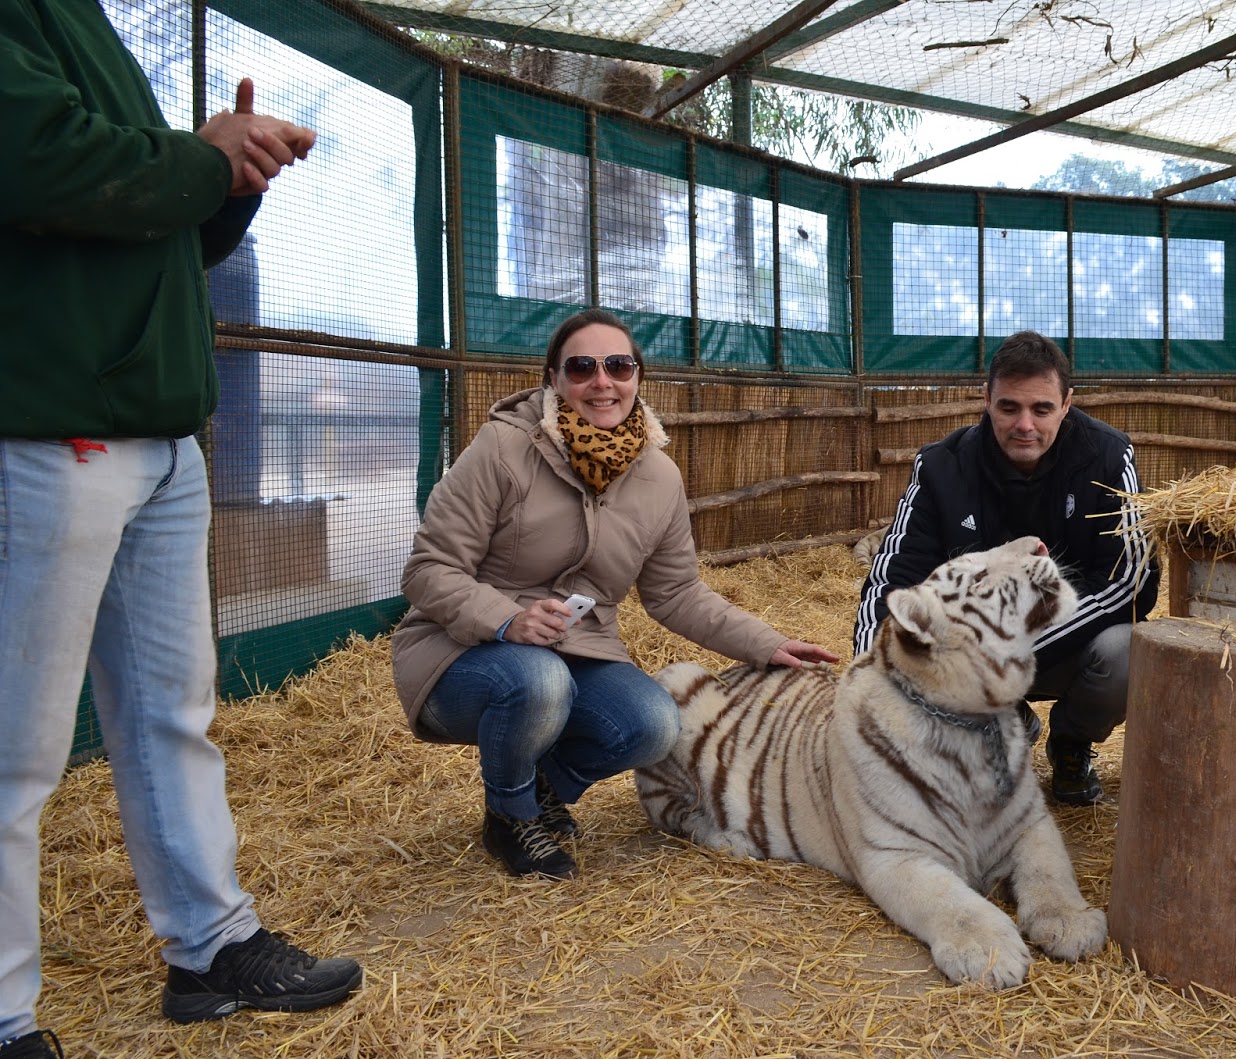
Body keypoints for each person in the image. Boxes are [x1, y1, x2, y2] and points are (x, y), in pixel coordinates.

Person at [0, 4, 363, 1054]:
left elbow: (154, 225)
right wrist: (200, 155)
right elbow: (43, 165)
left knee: (172, 714)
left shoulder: (81, 23)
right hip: (47, 429)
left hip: (155, 434)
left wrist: (225, 184)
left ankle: (209, 949)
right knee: (17, 750)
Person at [392, 308, 840, 880]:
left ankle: (542, 787)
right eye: (581, 367)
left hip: (577, 650)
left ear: (637, 377)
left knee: (652, 724)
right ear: (553, 379)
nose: (601, 381)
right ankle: (509, 816)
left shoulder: (659, 477)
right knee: (538, 679)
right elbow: (429, 570)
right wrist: (508, 619)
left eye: (618, 365)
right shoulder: (502, 450)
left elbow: (676, 592)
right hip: (461, 654)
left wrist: (767, 644)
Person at [854, 330, 1159, 807]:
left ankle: (1072, 743)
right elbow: (891, 576)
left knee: (1127, 651)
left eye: (1041, 409)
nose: (1024, 425)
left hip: (1065, 645)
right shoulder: (939, 466)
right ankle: (1005, 719)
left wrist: (1002, 650)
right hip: (967, 664)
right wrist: (870, 671)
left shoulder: (1108, 454)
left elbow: (1131, 582)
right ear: (986, 400)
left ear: (1067, 404)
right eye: (1008, 407)